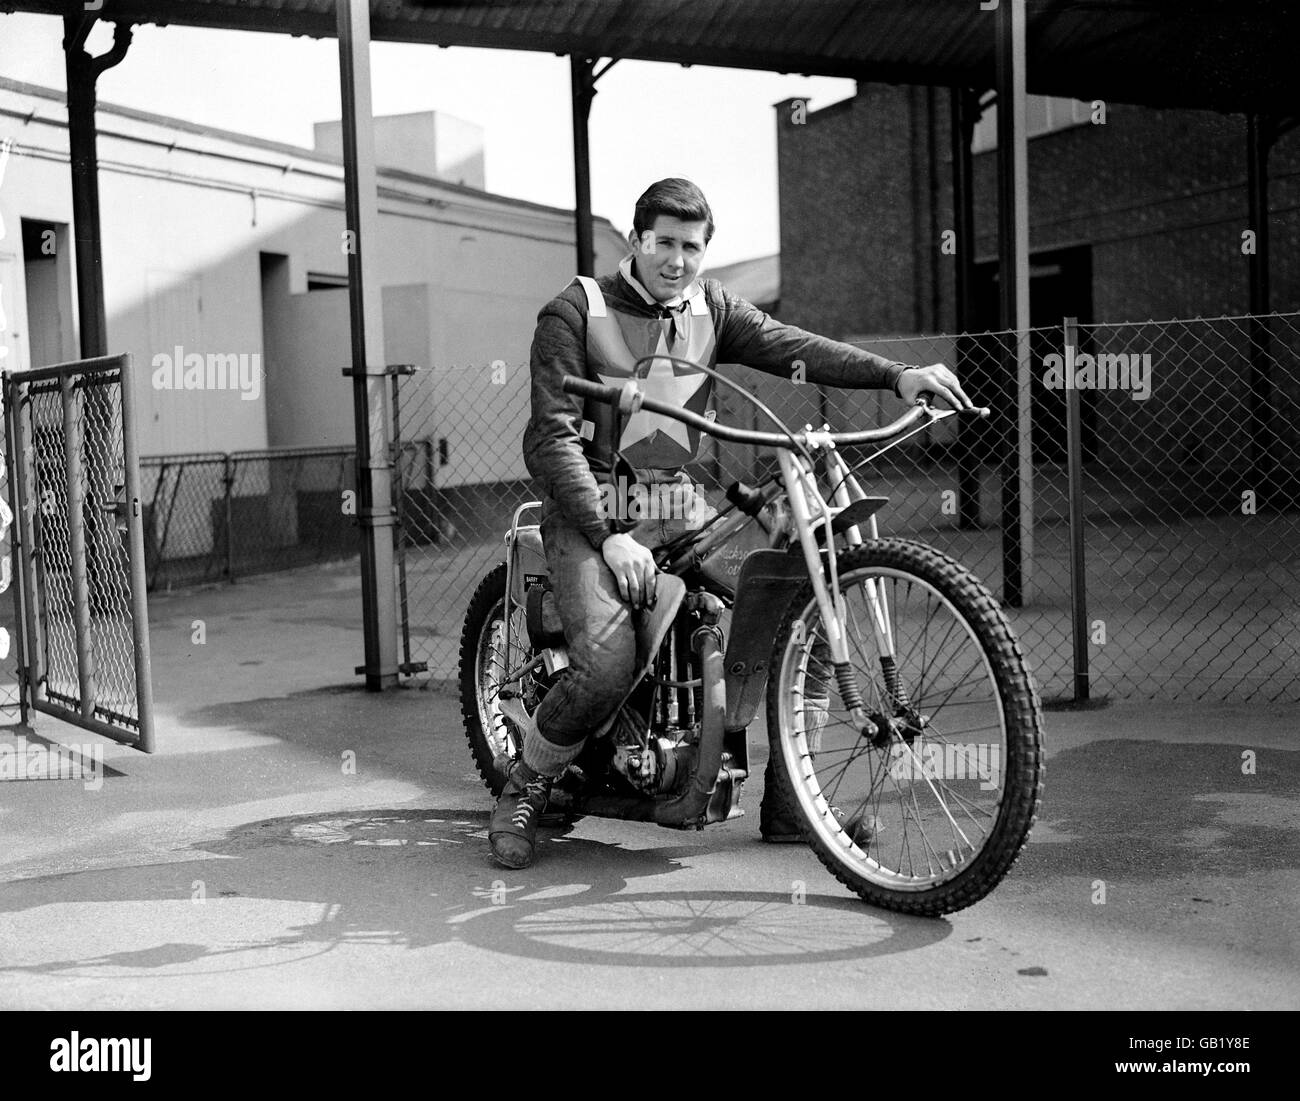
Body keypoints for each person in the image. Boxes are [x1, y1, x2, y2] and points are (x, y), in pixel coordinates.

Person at [490, 177, 972, 869]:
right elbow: (550, 440)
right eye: (664, 243)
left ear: (705, 250)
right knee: (608, 666)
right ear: (636, 240)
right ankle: (526, 784)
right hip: (592, 511)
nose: (677, 260)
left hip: (679, 504)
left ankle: (790, 799)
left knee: (795, 614)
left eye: (692, 247)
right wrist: (609, 533)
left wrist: (899, 377)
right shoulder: (574, 311)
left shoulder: (709, 307)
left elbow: (792, 345)